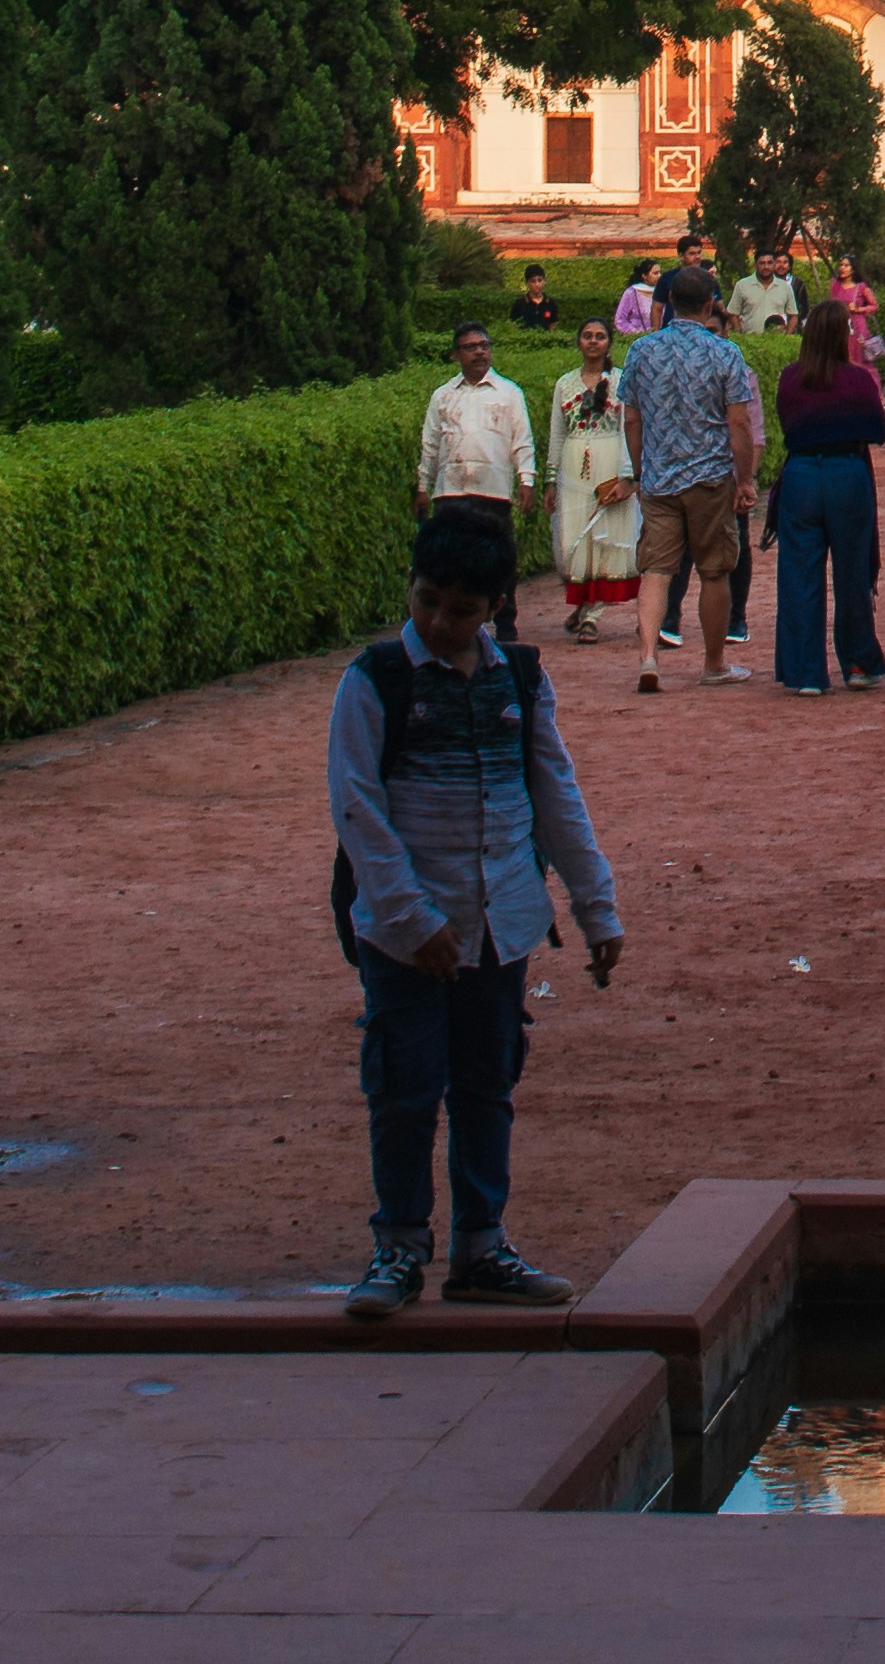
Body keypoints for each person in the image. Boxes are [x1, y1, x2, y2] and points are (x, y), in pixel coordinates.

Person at [328, 502, 622, 1316]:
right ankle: (398, 1246)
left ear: (495, 607)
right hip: (404, 936)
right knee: (405, 1087)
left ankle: (481, 1246)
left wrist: (596, 907)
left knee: (487, 1085)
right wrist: (411, 918)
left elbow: (555, 794)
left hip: (500, 926)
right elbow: (357, 810)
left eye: (460, 610)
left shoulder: (519, 680)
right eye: (427, 601)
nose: (438, 622)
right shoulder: (373, 681)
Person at [612, 294, 764, 691]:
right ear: (708, 305)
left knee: (655, 570)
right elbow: (739, 423)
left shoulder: (641, 349)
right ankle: (713, 664)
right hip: (709, 478)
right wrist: (744, 479)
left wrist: (639, 470)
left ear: (671, 304)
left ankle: (649, 656)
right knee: (714, 571)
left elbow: (631, 418)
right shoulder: (725, 352)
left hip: (660, 478)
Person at [765, 299, 885, 695]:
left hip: (802, 475)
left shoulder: (790, 378)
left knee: (799, 575)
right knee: (852, 572)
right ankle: (857, 663)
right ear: (841, 335)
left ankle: (806, 673)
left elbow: (788, 424)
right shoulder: (858, 380)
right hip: (847, 474)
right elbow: (878, 431)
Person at [545, 354, 641, 650]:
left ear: (608, 343)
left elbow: (630, 426)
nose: (593, 341)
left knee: (605, 542)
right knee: (572, 543)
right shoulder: (565, 383)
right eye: (588, 335)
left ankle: (591, 617)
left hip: (610, 465)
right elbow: (557, 433)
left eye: (599, 336)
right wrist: (550, 479)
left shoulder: (622, 381)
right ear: (579, 342)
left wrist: (629, 476)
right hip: (573, 469)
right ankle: (583, 605)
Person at [415, 321, 537, 541]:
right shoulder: (443, 395)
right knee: (451, 557)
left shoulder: (509, 393)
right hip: (450, 493)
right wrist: (423, 487)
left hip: (493, 494)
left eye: (484, 346)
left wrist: (526, 481)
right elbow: (430, 444)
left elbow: (522, 441)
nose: (479, 352)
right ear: (456, 355)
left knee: (492, 557)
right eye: (470, 347)